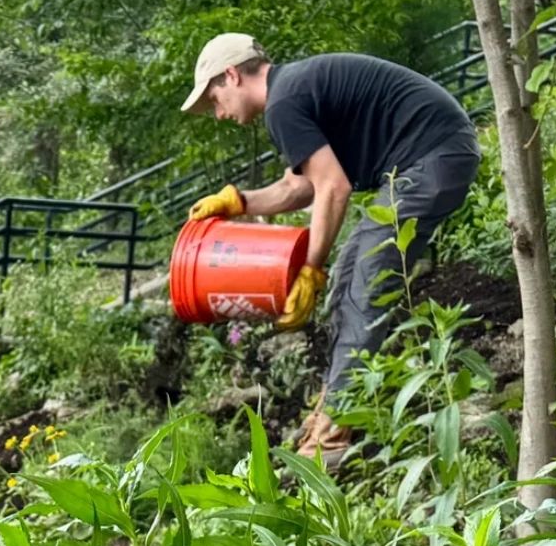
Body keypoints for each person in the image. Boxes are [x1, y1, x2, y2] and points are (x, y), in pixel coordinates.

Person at [181, 34, 483, 455]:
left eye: (214, 98)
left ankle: (334, 433)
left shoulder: (284, 101)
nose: (217, 113)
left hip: (432, 157)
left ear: (231, 75)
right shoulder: (292, 92)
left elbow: (333, 188)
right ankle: (334, 405)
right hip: (427, 158)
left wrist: (310, 268)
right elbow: (299, 187)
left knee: (366, 283)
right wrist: (238, 202)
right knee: (347, 280)